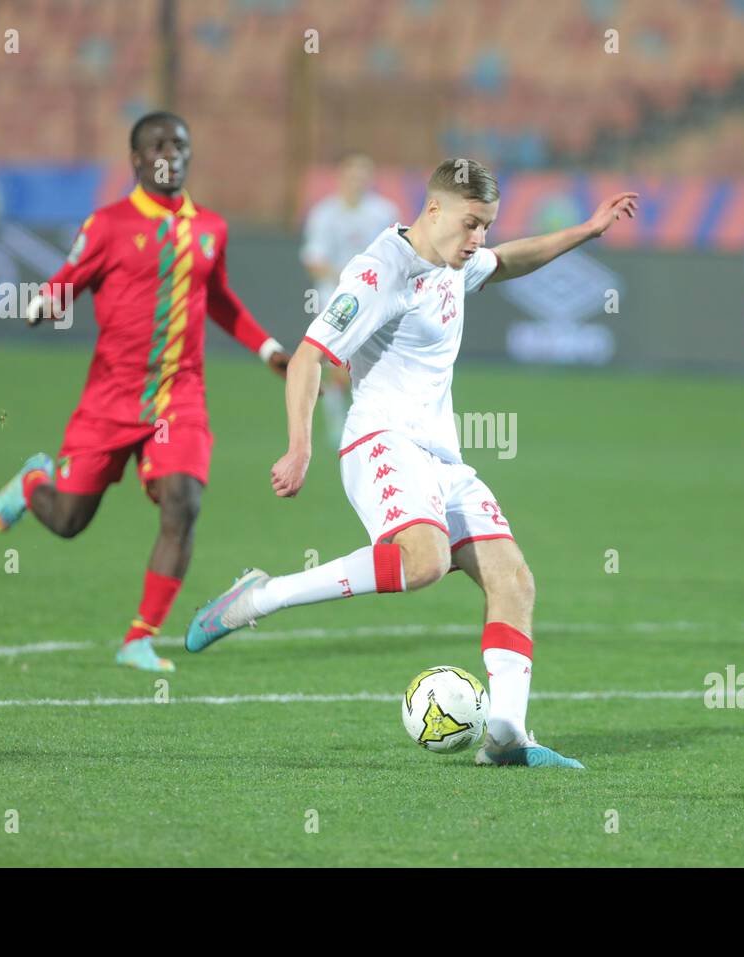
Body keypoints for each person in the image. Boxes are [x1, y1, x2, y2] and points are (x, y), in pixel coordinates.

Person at [186, 158, 638, 768]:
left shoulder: (455, 257)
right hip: (381, 442)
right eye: (473, 225)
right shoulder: (381, 272)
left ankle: (507, 737)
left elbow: (507, 262)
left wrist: (585, 230)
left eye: (486, 226)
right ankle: (260, 597)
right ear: (433, 210)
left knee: (514, 580)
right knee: (422, 562)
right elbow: (308, 359)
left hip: (442, 457)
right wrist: (300, 446)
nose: (479, 240)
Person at [0, 111, 289, 673]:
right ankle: (35, 481)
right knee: (70, 521)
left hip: (180, 394)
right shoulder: (107, 224)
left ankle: (139, 637)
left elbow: (218, 298)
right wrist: (41, 304)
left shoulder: (210, 229)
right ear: (136, 159)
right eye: (156, 145)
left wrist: (269, 349)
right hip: (110, 398)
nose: (169, 153)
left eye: (179, 144)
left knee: (184, 502)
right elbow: (67, 279)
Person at [300, 155, 400, 447]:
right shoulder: (324, 214)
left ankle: (376, 420)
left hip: (377, 299)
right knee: (338, 365)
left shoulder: (384, 212)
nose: (358, 180)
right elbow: (314, 260)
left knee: (377, 361)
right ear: (340, 177)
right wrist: (351, 278)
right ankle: (336, 421)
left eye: (363, 174)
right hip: (335, 299)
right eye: (352, 174)